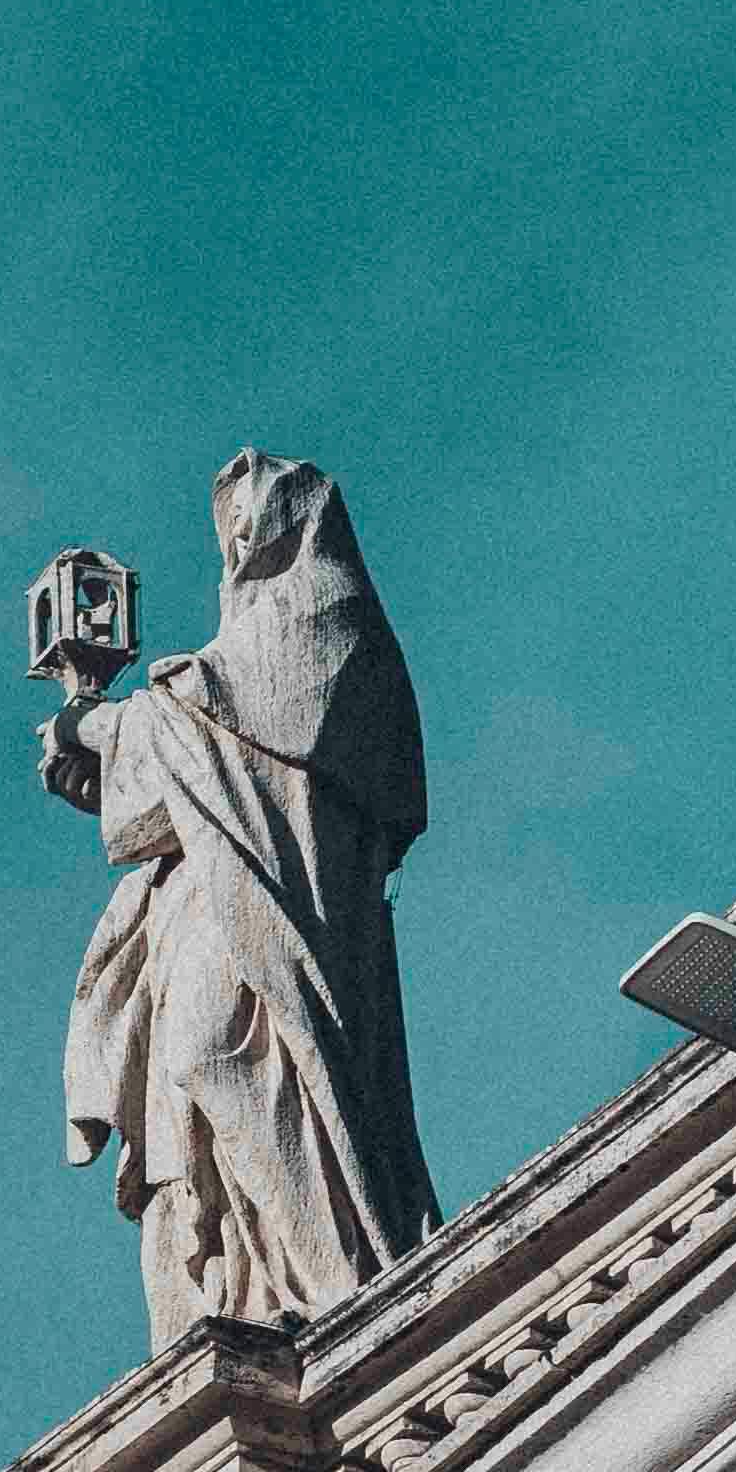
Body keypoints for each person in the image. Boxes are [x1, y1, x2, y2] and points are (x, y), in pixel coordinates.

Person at [43, 449, 437, 1347]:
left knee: (221, 1049)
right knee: (186, 1091)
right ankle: (241, 1292)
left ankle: (321, 1274)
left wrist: (93, 723)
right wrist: (103, 757)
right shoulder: (232, 665)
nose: (240, 544)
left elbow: (227, 719)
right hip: (206, 898)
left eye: (255, 522)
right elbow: (185, 772)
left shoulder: (329, 627)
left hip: (277, 920)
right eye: (231, 532)